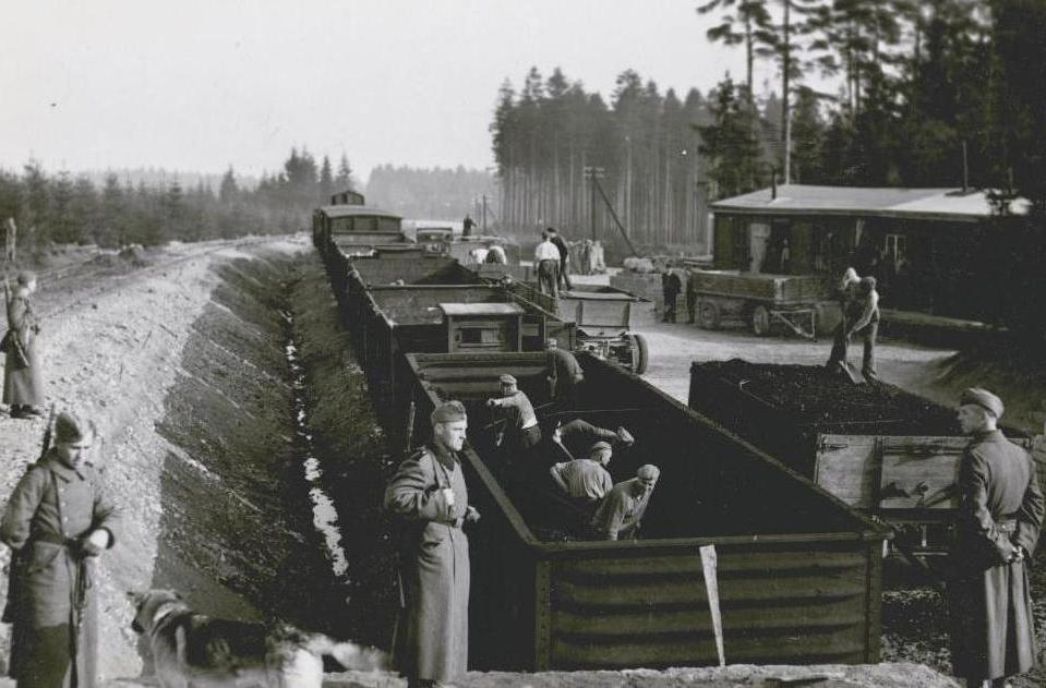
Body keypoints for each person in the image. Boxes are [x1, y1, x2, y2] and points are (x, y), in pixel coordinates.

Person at [1, 410, 122, 688]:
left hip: (81, 575)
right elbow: (12, 526)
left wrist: (103, 533)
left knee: (79, 648)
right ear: (57, 442)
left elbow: (112, 511)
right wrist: (33, 551)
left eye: (86, 448)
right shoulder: (40, 477)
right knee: (47, 649)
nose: (81, 455)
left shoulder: (90, 476)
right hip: (46, 577)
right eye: (74, 448)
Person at [948, 388, 1043, 688]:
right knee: (1005, 628)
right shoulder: (1021, 455)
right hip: (1011, 555)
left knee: (979, 632)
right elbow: (1035, 507)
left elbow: (975, 513)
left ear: (984, 414)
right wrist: (1021, 547)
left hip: (980, 557)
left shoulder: (975, 456)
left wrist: (1000, 548)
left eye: (965, 412)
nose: (959, 416)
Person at [384, 400, 479, 688]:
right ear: (439, 430)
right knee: (431, 622)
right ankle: (426, 681)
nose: (463, 435)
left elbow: (449, 498)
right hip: (433, 555)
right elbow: (395, 498)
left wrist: (464, 510)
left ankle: (440, 679)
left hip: (452, 551)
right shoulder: (424, 461)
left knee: (450, 622)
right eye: (457, 429)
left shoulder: (450, 458)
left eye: (464, 429)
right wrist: (436, 503)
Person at [4, 271, 44, 419]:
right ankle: (17, 409)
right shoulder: (18, 299)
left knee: (29, 373)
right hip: (20, 342)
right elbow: (15, 322)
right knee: (19, 373)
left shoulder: (23, 298)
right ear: (28, 283)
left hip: (26, 340)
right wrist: (30, 320)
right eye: (34, 282)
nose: (35, 285)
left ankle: (28, 405)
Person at [827, 274, 879, 381]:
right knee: (840, 333)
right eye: (860, 289)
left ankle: (869, 373)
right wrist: (844, 284)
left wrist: (853, 330)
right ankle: (835, 364)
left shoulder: (872, 297)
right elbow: (850, 270)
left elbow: (866, 319)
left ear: (868, 291)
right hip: (855, 312)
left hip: (870, 318)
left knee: (869, 343)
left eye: (863, 292)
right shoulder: (856, 282)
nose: (860, 292)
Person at [591, 464, 660, 541]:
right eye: (643, 483)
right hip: (603, 531)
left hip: (625, 530)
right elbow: (612, 529)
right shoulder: (622, 494)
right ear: (637, 479)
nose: (646, 488)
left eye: (650, 484)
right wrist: (613, 549)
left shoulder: (648, 489)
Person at [486, 374, 541, 458]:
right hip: (523, 434)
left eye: (501, 387)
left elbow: (511, 401)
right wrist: (501, 433)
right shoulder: (510, 398)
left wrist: (495, 402)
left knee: (531, 460)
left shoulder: (519, 396)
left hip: (530, 435)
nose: (501, 390)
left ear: (506, 387)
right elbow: (509, 419)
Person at [549, 441, 614, 504]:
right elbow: (610, 498)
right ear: (602, 457)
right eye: (609, 457)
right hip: (590, 507)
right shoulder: (605, 474)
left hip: (570, 501)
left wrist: (565, 488)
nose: (609, 460)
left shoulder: (576, 462)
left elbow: (553, 469)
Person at [545, 338, 583, 408]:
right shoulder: (563, 351)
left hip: (570, 378)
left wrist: (552, 394)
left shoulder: (550, 353)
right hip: (579, 376)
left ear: (547, 346)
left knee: (560, 398)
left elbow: (552, 374)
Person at [534, 232, 560, 299]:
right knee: (553, 282)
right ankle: (555, 298)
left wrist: (534, 268)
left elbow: (536, 258)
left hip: (544, 263)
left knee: (542, 282)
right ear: (549, 238)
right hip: (552, 263)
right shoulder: (553, 246)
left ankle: (543, 298)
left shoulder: (540, 246)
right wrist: (558, 269)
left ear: (542, 237)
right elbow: (558, 258)